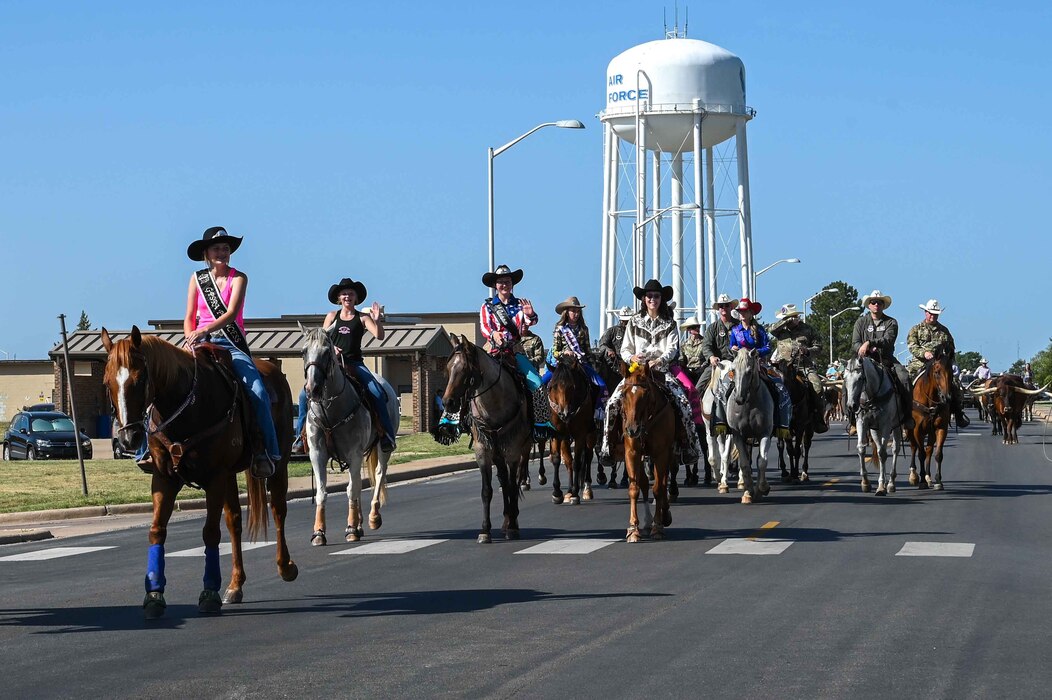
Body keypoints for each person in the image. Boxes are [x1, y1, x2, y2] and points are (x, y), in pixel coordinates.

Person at [144, 226, 281, 478]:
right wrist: (190, 336)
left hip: (230, 344)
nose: (222, 253)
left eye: (226, 249)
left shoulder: (239, 278)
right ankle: (146, 450)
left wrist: (203, 329)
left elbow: (230, 314)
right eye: (217, 248)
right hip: (198, 343)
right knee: (161, 383)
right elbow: (188, 316)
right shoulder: (197, 278)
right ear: (206, 253)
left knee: (259, 392)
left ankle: (266, 452)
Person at [599, 279, 701, 466]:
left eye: (656, 296)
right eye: (649, 296)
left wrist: (659, 360)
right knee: (612, 404)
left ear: (661, 299)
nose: (653, 299)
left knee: (684, 402)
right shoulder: (634, 322)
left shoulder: (669, 323)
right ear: (643, 299)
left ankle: (689, 446)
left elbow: (672, 348)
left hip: (661, 371)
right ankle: (608, 447)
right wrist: (632, 358)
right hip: (637, 372)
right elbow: (625, 348)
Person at [323, 277, 397, 452]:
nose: (347, 296)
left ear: (356, 298)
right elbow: (323, 340)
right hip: (333, 365)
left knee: (377, 392)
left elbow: (379, 336)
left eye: (350, 293)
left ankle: (386, 435)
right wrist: (332, 349)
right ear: (338, 298)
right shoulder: (331, 316)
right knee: (306, 394)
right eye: (344, 294)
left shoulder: (362, 318)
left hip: (354, 364)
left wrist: (377, 320)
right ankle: (301, 437)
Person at [712, 298, 791, 438]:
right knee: (722, 387)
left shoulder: (759, 330)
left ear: (750, 313)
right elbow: (731, 346)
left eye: (744, 311)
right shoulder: (735, 330)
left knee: (780, 387)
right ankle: (721, 423)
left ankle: (782, 423)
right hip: (739, 365)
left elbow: (768, 346)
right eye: (740, 311)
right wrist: (734, 349)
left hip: (759, 364)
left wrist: (756, 352)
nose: (742, 314)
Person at [850, 289, 913, 430]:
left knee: (904, 378)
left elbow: (889, 340)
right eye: (873, 302)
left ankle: (907, 416)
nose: (876, 304)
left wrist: (871, 343)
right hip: (864, 361)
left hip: (886, 360)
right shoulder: (861, 322)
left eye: (879, 302)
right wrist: (863, 347)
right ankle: (852, 419)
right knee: (848, 382)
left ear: (883, 305)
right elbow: (855, 343)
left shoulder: (891, 322)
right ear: (869, 305)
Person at [905, 299, 970, 427]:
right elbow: (912, 345)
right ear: (925, 312)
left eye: (935, 314)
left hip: (939, 365)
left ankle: (958, 413)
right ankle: (904, 415)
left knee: (955, 384)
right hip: (919, 363)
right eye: (930, 313)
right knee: (904, 382)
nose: (932, 316)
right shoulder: (916, 329)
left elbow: (951, 348)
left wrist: (948, 359)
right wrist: (924, 353)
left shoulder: (944, 331)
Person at [543, 296, 607, 418]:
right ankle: (542, 416)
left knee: (601, 385)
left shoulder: (584, 329)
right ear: (566, 312)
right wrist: (564, 353)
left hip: (580, 364)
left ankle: (598, 414)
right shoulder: (559, 328)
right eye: (573, 311)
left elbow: (587, 350)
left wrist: (593, 364)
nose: (576, 314)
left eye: (578, 311)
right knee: (542, 383)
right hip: (562, 365)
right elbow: (555, 351)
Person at [769, 303, 829, 433]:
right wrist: (784, 321)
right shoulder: (780, 331)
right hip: (782, 368)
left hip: (803, 366)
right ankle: (771, 419)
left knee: (817, 387)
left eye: (793, 317)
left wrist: (807, 351)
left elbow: (819, 347)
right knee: (768, 386)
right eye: (788, 317)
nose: (791, 320)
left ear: (797, 316)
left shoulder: (808, 329)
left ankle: (818, 418)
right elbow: (771, 329)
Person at [697, 293, 739, 395]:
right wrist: (711, 357)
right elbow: (706, 345)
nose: (723, 308)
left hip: (736, 363)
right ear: (718, 309)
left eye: (726, 305)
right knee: (697, 389)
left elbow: (746, 342)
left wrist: (740, 349)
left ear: (731, 307)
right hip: (717, 364)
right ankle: (696, 409)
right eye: (721, 306)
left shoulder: (739, 326)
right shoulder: (712, 328)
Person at [680, 315, 705, 384]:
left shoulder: (705, 342)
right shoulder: (684, 344)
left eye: (698, 326)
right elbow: (682, 360)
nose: (697, 328)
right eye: (694, 327)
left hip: (701, 372)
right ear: (689, 330)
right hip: (688, 373)